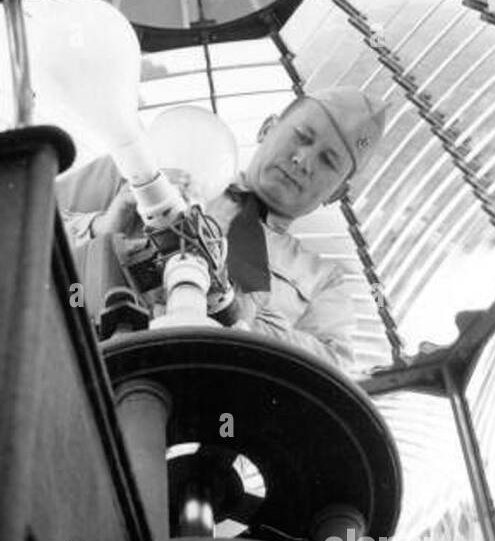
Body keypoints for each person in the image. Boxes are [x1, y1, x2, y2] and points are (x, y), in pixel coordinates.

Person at [56, 87, 387, 374]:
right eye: (302, 137)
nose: (303, 160)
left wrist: (247, 322)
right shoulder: (154, 166)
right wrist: (105, 226)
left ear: (337, 193)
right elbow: (28, 225)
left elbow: (333, 370)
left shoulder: (325, 281)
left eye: (328, 161)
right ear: (267, 128)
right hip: (76, 357)